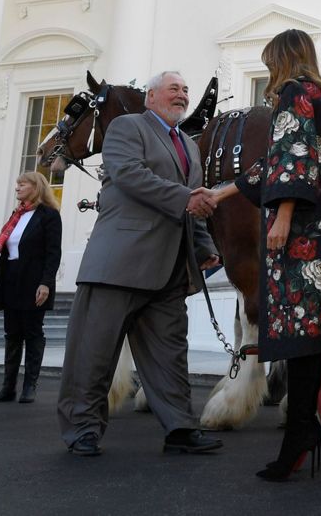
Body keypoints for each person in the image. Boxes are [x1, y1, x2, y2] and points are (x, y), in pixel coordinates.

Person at [207, 28, 321, 481]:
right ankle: (303, 431)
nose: (269, 71)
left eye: (271, 62)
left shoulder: (293, 94)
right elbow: (274, 165)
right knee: (311, 336)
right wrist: (222, 192)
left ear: (284, 60)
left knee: (298, 335)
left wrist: (282, 219)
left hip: (301, 231)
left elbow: (292, 163)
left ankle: (300, 437)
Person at [56, 70, 223, 457]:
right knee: (93, 355)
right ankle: (81, 429)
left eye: (185, 90)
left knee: (170, 355)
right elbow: (131, 176)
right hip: (119, 264)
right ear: (150, 97)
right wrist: (186, 199)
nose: (181, 95)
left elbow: (191, 205)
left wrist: (204, 245)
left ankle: (180, 427)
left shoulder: (188, 145)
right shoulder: (126, 128)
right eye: (173, 89)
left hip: (168, 270)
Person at [0, 171, 62, 404]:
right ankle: (8, 387)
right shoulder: (17, 215)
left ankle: (30, 386)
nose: (17, 188)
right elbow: (7, 253)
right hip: (11, 279)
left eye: (22, 184)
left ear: (36, 187)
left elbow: (53, 253)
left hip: (33, 280)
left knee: (32, 332)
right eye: (17, 184)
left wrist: (46, 283)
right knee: (12, 334)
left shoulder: (49, 216)